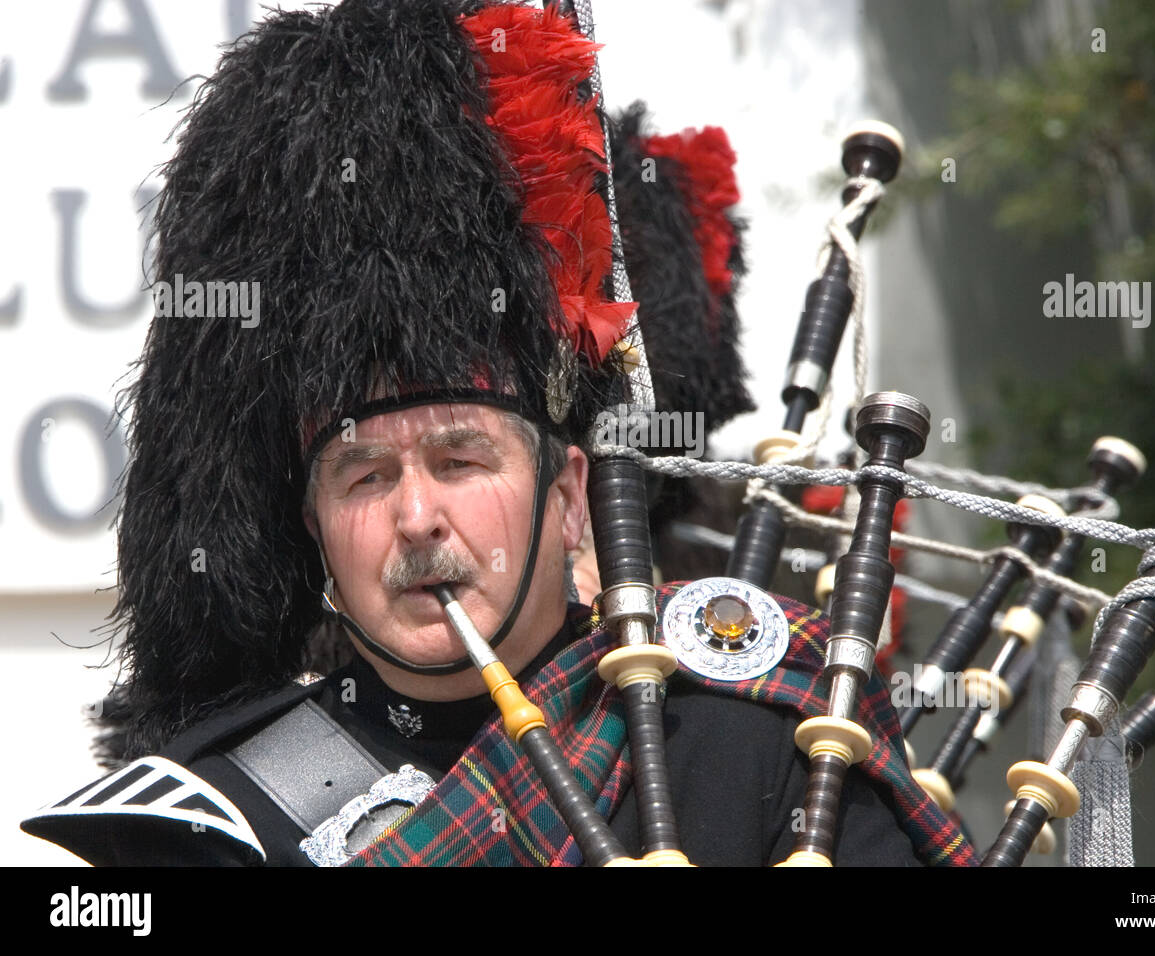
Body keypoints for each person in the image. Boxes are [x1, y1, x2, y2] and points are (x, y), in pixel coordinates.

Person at [22, 0, 974, 867]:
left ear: (567, 499)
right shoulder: (212, 820)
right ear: (312, 527)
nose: (417, 517)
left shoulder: (755, 731)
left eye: (460, 459)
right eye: (361, 478)